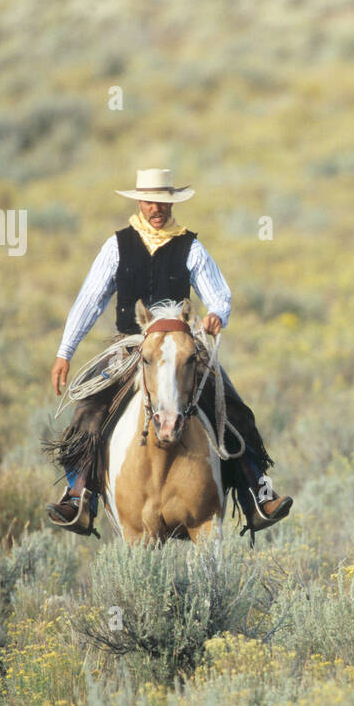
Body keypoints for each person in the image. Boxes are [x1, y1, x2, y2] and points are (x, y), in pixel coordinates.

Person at [44, 168, 293, 536]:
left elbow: (220, 294)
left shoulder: (190, 245)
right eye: (149, 201)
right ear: (139, 202)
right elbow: (90, 300)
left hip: (181, 345)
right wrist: (65, 351)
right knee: (88, 414)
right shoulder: (117, 246)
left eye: (162, 202)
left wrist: (215, 316)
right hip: (131, 347)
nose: (155, 208)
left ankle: (259, 491)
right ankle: (79, 496)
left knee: (235, 410)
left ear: (171, 203)